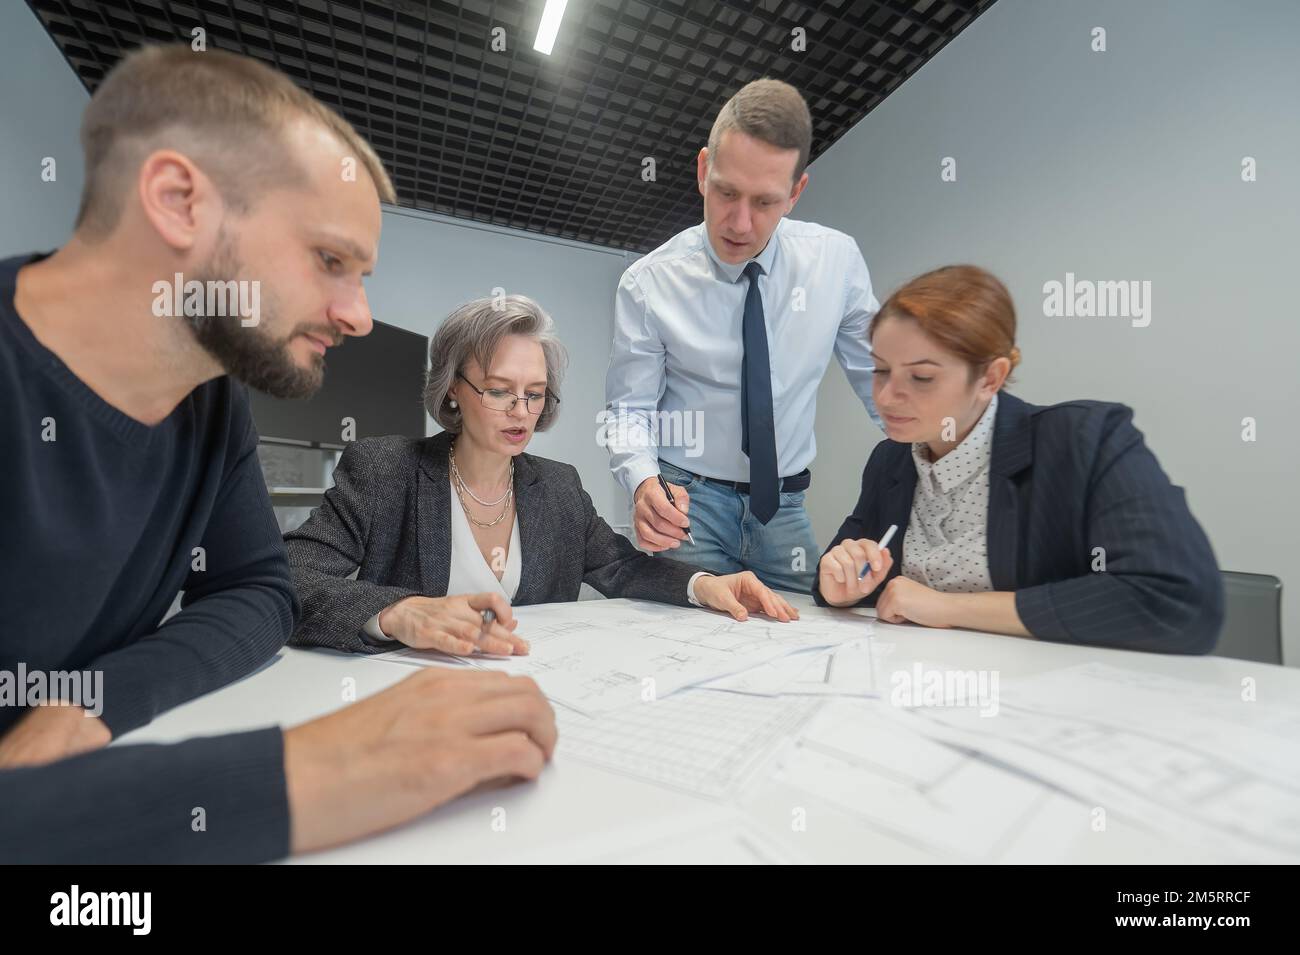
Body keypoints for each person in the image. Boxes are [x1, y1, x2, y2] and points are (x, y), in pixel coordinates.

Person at [1, 44, 555, 863]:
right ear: (178, 201)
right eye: (331, 261)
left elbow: (257, 590)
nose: (360, 315)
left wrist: (90, 703)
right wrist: (321, 769)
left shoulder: (209, 403)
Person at [286, 294, 800, 656]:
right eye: (499, 390)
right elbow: (289, 576)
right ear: (452, 390)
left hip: (539, 692)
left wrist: (703, 583)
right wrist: (397, 612)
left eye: (534, 393)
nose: (520, 410)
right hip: (418, 699)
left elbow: (621, 569)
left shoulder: (558, 486)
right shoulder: (385, 470)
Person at [813, 265, 1224, 653]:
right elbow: (847, 575)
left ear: (989, 378)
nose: (884, 397)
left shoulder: (1083, 440)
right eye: (880, 370)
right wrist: (840, 585)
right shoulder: (893, 460)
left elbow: (1178, 600)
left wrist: (948, 608)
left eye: (921, 377)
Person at [604, 78, 882, 594]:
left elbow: (886, 388)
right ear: (703, 169)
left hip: (786, 507)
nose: (740, 222)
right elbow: (629, 411)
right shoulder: (648, 282)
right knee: (684, 653)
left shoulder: (836, 263)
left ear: (796, 193)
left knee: (803, 652)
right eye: (726, 192)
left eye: (765, 202)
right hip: (686, 504)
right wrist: (643, 482)